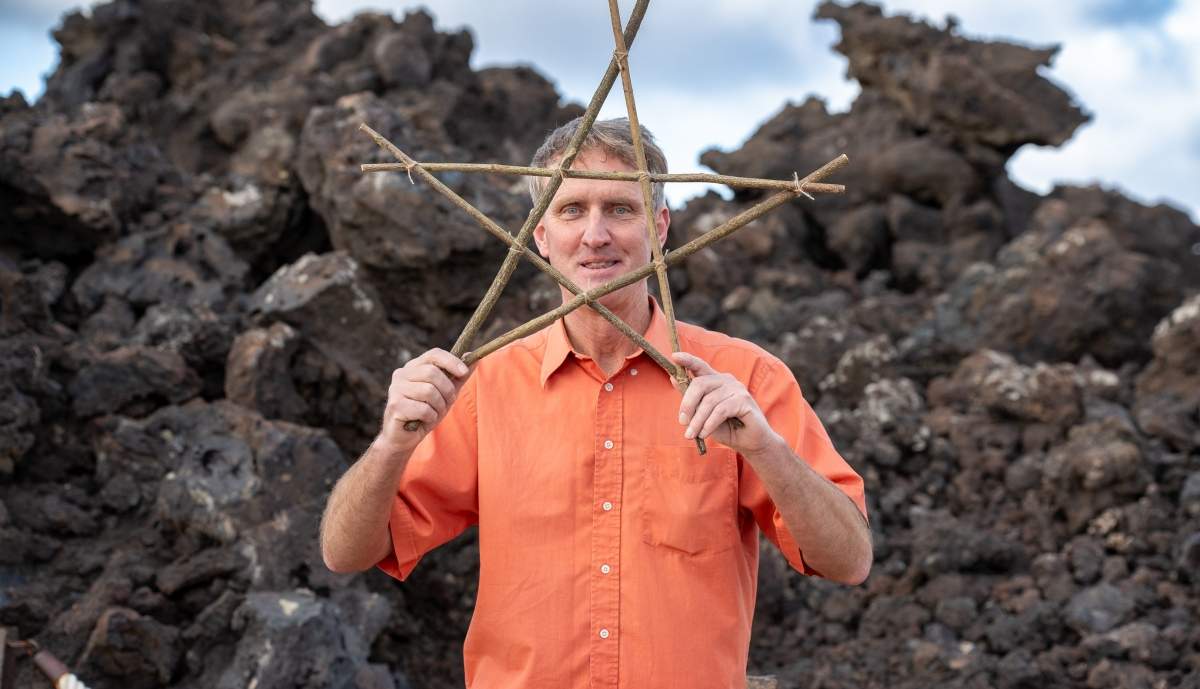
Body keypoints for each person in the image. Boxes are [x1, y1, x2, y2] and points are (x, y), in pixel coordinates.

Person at [320, 117, 872, 689]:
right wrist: (392, 443)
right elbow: (346, 553)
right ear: (539, 235)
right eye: (571, 210)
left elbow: (849, 560)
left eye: (620, 209)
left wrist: (766, 449)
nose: (595, 235)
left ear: (660, 226)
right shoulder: (483, 385)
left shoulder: (744, 378)